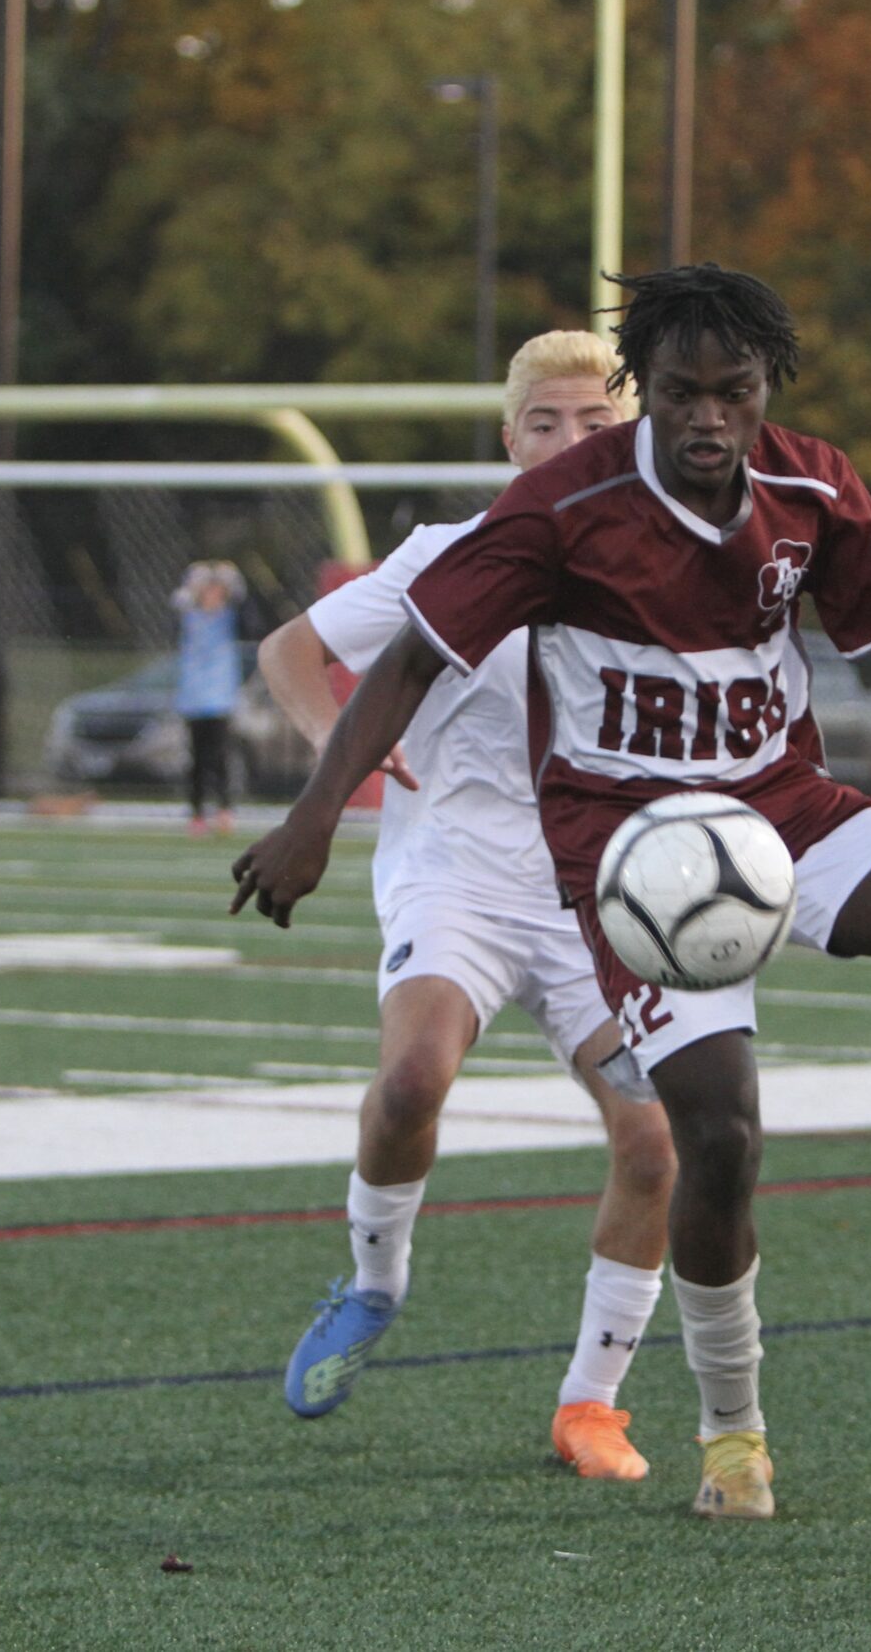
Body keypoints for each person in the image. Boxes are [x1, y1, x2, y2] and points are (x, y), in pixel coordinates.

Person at [234, 265, 871, 1522]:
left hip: (778, 803)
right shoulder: (561, 509)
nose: (708, 417)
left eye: (733, 392)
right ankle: (731, 1434)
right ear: (646, 395)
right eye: (683, 393)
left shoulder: (811, 484)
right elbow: (414, 652)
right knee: (716, 1137)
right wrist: (314, 817)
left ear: (765, 396)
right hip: (630, 852)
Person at [258, 331, 677, 1482]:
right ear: (509, 438)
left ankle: (591, 1404)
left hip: (597, 899)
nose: (568, 441)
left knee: (653, 1140)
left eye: (595, 421)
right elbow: (291, 651)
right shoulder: (451, 551)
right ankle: (374, 1282)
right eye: (544, 421)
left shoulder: (672, 569)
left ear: (631, 435)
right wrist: (333, 757)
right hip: (458, 874)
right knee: (411, 1080)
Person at [172, 561, 245, 836]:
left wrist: (234, 582)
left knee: (221, 757)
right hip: (193, 698)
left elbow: (252, 615)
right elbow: (176, 610)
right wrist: (192, 584)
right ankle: (197, 812)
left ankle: (225, 809)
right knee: (197, 759)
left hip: (221, 698)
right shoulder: (188, 617)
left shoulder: (230, 617)